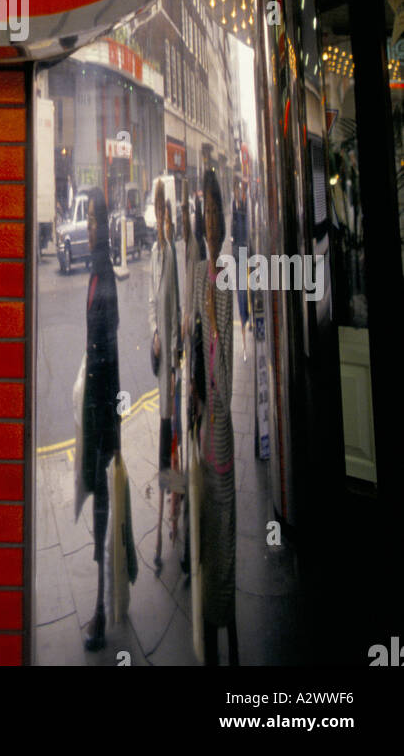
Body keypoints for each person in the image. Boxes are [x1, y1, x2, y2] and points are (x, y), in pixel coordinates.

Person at [192, 169, 238, 665]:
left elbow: (222, 355)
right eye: (202, 211)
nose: (208, 220)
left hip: (221, 426)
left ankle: (225, 625)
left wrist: (213, 407)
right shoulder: (204, 269)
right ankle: (212, 625)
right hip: (207, 420)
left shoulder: (223, 269)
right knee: (209, 529)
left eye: (213, 211)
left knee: (224, 524)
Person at [78, 187, 120, 652]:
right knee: (98, 504)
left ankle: (102, 612)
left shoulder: (104, 275)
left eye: (93, 219)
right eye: (86, 219)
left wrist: (110, 429)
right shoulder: (94, 271)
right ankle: (103, 603)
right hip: (96, 407)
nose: (89, 225)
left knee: (103, 507)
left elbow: (109, 351)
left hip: (103, 413)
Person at [150, 179, 179, 569]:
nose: (162, 218)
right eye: (158, 211)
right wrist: (154, 333)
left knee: (174, 446)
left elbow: (177, 308)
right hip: (163, 370)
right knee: (164, 448)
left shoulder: (173, 251)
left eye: (165, 211)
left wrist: (172, 352)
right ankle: (163, 521)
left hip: (175, 368)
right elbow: (152, 303)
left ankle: (172, 522)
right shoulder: (156, 254)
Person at [232, 178, 250, 361]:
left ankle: (246, 320)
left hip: (244, 254)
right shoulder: (237, 209)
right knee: (242, 293)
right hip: (239, 255)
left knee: (244, 294)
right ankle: (245, 320)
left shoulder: (245, 209)